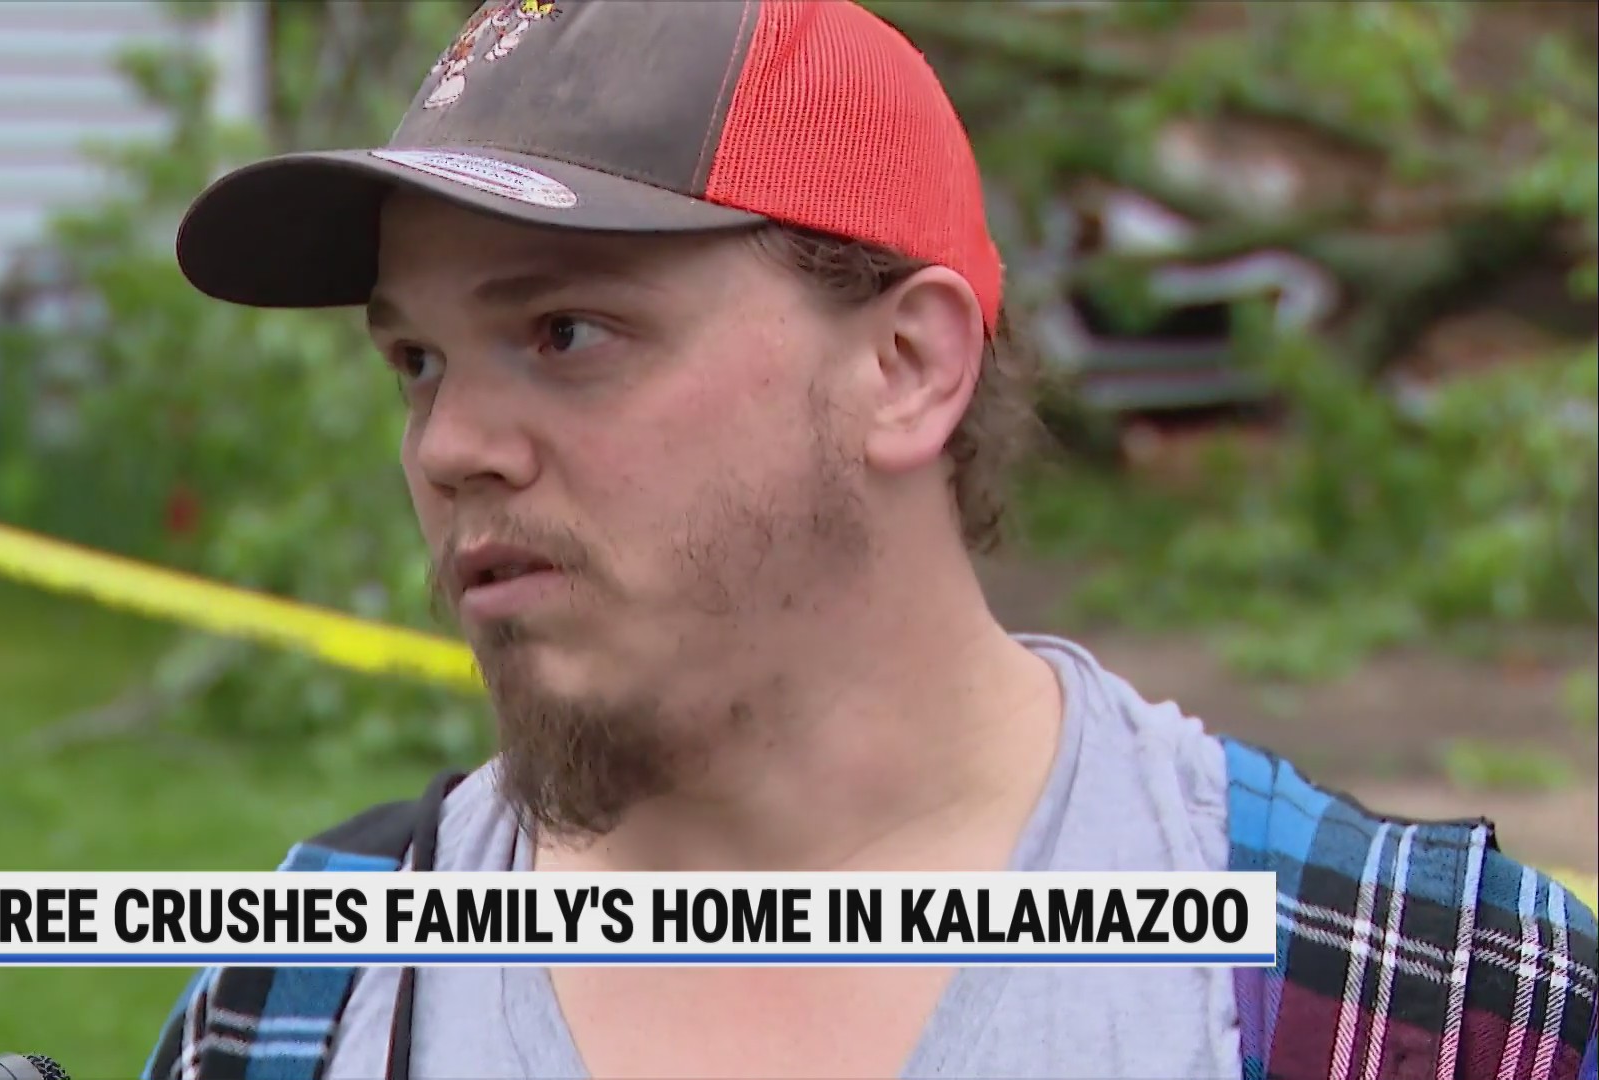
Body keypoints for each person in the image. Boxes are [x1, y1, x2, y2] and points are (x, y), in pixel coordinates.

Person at [144, 2, 1598, 1077]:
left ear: (906, 366)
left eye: (566, 331)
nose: (453, 446)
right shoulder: (292, 998)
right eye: (419, 364)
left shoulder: (1437, 994)